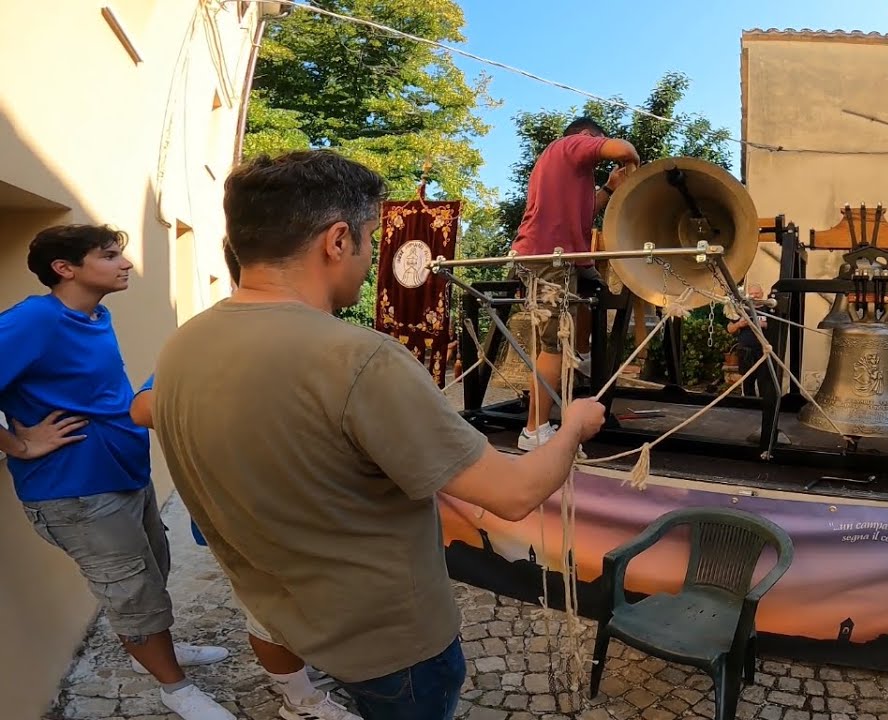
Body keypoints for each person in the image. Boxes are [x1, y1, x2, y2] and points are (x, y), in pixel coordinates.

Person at [149, 150, 606, 720]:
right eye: (369, 239)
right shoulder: (358, 359)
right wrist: (573, 425)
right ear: (337, 240)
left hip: (290, 617)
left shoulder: (182, 344)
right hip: (392, 647)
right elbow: (514, 495)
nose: (370, 258)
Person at [0, 225, 231, 720]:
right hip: (76, 492)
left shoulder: (94, 314)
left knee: (152, 569)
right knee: (131, 592)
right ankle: (175, 689)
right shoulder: (34, 320)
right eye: (109, 256)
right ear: (65, 269)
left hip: (124, 475)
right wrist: (20, 444)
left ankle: (164, 648)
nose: (125, 264)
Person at [129, 239, 359, 720]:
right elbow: (143, 408)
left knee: (314, 599)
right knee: (269, 610)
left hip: (311, 511)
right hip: (247, 515)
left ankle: (314, 670)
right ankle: (299, 699)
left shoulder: (322, 335)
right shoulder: (210, 338)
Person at [511, 116, 640, 451]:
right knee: (553, 343)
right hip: (548, 258)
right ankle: (534, 431)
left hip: (567, 259)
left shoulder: (569, 171)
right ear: (587, 136)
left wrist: (610, 187)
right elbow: (623, 149)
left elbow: (586, 212)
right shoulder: (570, 145)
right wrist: (633, 162)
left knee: (597, 294)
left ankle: (580, 358)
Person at [727, 284, 769, 396]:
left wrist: (763, 324)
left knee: (764, 382)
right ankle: (749, 403)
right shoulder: (742, 309)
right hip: (746, 352)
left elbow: (778, 326)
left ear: (762, 294)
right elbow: (730, 329)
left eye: (757, 293)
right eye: (751, 294)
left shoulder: (769, 309)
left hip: (763, 352)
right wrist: (739, 324)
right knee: (747, 382)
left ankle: (764, 403)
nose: (754, 296)